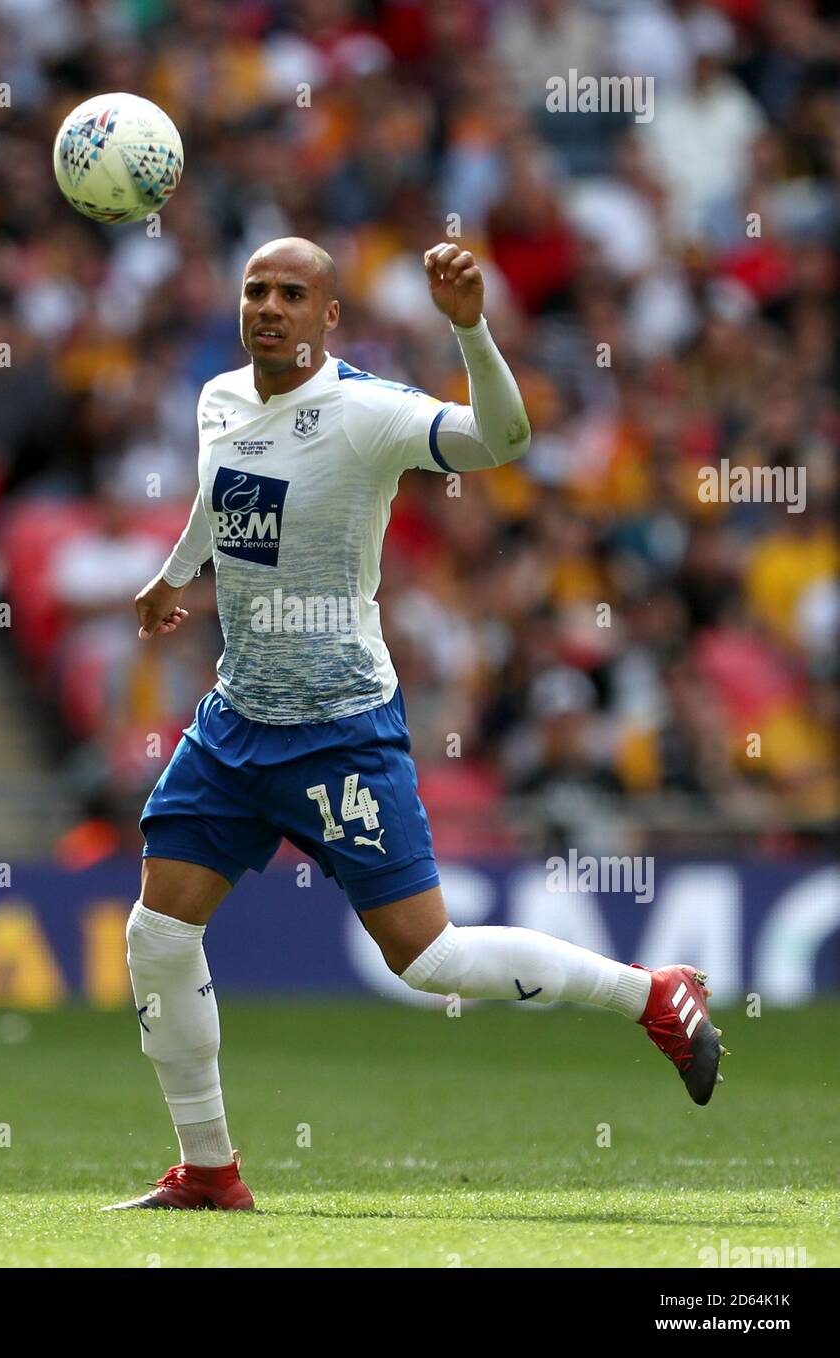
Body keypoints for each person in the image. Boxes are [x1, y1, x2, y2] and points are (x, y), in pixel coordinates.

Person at [106, 238, 727, 1212]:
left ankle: (652, 993)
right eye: (256, 291)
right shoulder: (219, 399)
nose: (269, 307)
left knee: (427, 957)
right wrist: (176, 574)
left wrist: (471, 327)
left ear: (329, 316)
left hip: (339, 731)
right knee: (156, 934)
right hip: (235, 722)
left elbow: (502, 440)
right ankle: (210, 1171)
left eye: (292, 294)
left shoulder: (366, 413)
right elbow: (221, 500)